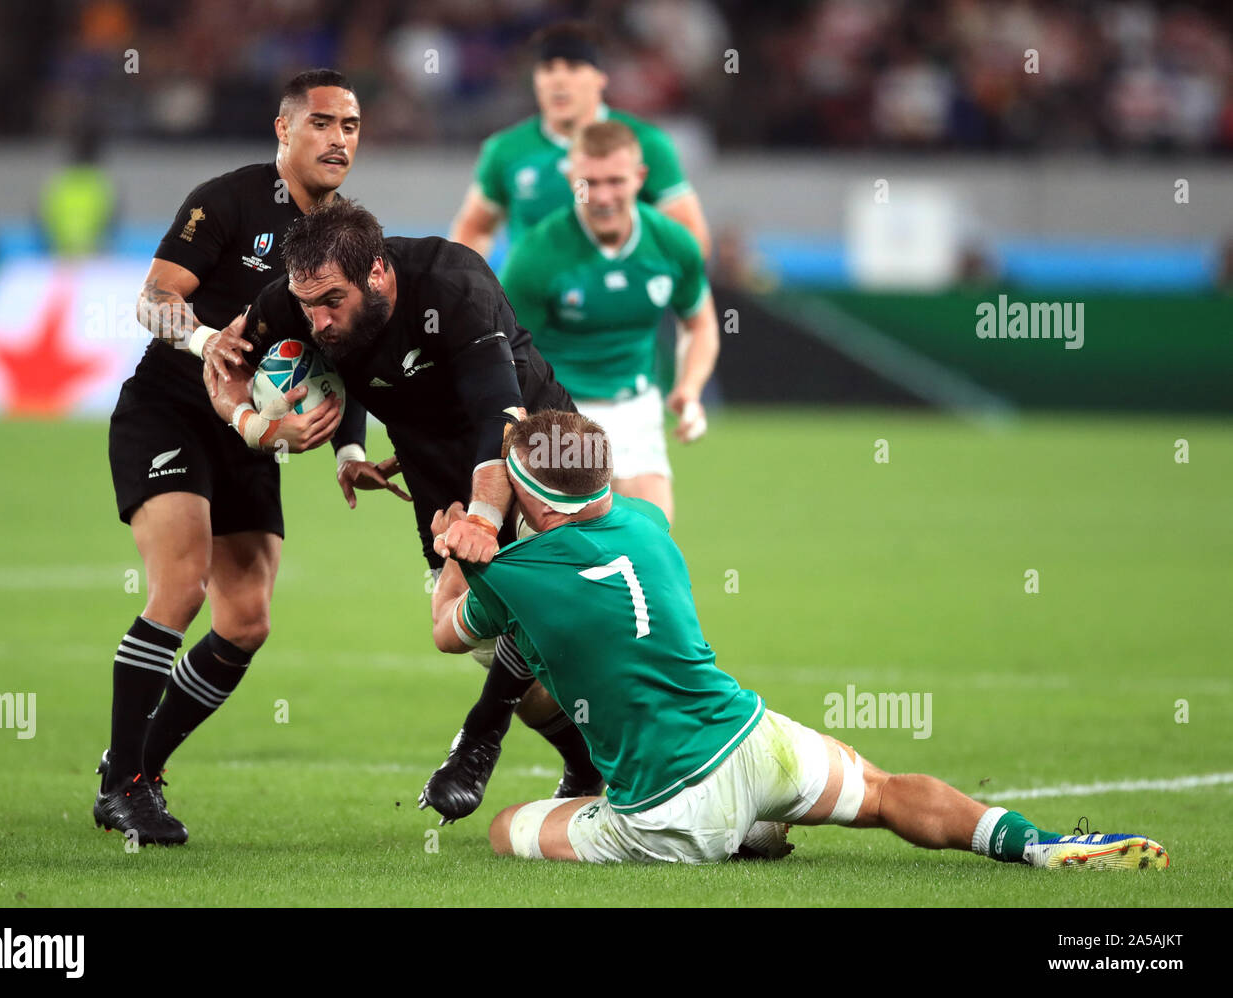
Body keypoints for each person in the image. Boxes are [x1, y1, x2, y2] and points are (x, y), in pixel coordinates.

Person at [422, 410, 1171, 871]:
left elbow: (446, 633)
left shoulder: (516, 576)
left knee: (501, 831)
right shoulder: (647, 520)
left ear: (537, 505)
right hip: (751, 739)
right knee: (882, 792)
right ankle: (1036, 845)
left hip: (664, 810)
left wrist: (460, 542)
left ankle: (736, 835)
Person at [203, 199, 606, 808]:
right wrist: (262, 427)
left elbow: (501, 421)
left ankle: (479, 741)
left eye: (331, 302)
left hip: (537, 445)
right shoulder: (297, 302)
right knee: (482, 641)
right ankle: (585, 767)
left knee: (545, 613)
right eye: (306, 304)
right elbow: (224, 364)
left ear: (378, 274)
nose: (316, 322)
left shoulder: (454, 286)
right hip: (434, 466)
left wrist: (482, 521)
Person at [97, 70, 359, 845]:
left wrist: (348, 447)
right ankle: (126, 788)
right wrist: (207, 338)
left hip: (252, 431)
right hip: (171, 409)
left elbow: (359, 347)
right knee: (179, 584)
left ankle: (135, 763)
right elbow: (151, 298)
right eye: (321, 123)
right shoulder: (229, 199)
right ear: (283, 131)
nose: (338, 138)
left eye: (349, 124)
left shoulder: (353, 235)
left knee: (245, 619)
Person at [500, 120, 718, 523]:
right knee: (572, 557)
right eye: (590, 182)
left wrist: (689, 390)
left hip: (636, 407)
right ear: (570, 177)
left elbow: (700, 323)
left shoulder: (673, 244)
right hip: (561, 412)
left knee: (651, 539)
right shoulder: (536, 255)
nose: (602, 197)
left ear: (640, 177)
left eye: (615, 182)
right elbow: (503, 348)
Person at [449, 21, 711, 262]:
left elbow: (691, 238)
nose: (560, 82)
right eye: (549, 70)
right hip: (531, 306)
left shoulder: (647, 143)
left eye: (573, 69)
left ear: (599, 79)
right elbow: (474, 230)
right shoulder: (506, 150)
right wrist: (467, 291)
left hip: (621, 306)